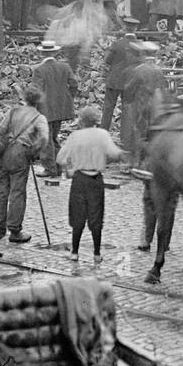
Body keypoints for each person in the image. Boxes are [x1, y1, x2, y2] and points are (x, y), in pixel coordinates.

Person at [57, 105, 125, 264]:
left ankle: (74, 252)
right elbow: (114, 153)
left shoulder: (75, 136)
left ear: (81, 121)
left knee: (77, 216)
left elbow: (60, 158)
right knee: (96, 217)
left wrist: (68, 170)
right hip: (96, 180)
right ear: (96, 120)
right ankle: (96, 253)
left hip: (79, 179)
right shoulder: (103, 134)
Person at [0, 85, 51, 244]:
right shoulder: (39, 118)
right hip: (21, 154)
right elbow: (44, 138)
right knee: (17, 193)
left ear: (24, 98)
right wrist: (35, 151)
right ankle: (15, 230)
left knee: (2, 192)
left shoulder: (13, 111)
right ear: (38, 102)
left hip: (6, 152)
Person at [32, 40, 78, 178]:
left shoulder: (39, 70)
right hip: (62, 108)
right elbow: (74, 84)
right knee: (54, 137)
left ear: (42, 53)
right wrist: (69, 98)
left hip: (45, 109)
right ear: (55, 52)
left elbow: (36, 91)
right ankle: (58, 167)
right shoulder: (65, 67)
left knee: (46, 139)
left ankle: (50, 169)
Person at [122, 42, 165, 168]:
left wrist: (127, 101)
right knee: (153, 132)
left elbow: (129, 89)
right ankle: (150, 162)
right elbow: (163, 87)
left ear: (143, 54)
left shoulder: (139, 70)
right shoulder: (158, 71)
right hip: (156, 104)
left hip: (140, 104)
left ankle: (136, 162)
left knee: (138, 133)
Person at [101, 31, 139, 130]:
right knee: (127, 109)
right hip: (131, 81)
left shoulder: (117, 44)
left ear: (125, 29)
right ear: (135, 29)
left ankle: (104, 131)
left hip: (114, 80)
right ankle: (124, 135)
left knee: (108, 108)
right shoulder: (139, 45)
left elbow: (107, 61)